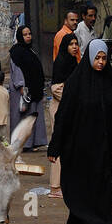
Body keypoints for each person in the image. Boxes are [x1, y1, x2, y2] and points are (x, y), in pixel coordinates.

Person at [47, 39, 112, 224]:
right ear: (89, 58)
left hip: (103, 148)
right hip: (79, 148)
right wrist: (55, 145)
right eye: (97, 58)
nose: (101, 62)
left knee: (101, 188)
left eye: (104, 58)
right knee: (82, 188)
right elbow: (64, 116)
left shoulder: (109, 81)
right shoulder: (76, 83)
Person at [48, 33, 80, 198]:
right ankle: (55, 187)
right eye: (71, 44)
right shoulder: (60, 62)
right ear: (65, 46)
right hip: (59, 109)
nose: (74, 47)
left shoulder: (73, 62)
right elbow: (56, 89)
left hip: (69, 110)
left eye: (76, 44)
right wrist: (75, 95)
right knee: (58, 145)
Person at [8, 24, 47, 148]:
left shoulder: (29, 50)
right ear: (20, 36)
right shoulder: (16, 52)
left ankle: (33, 142)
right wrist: (22, 89)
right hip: (23, 91)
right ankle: (22, 143)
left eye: (29, 34)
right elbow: (17, 71)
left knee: (32, 117)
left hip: (33, 90)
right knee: (23, 117)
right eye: (25, 35)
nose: (28, 36)